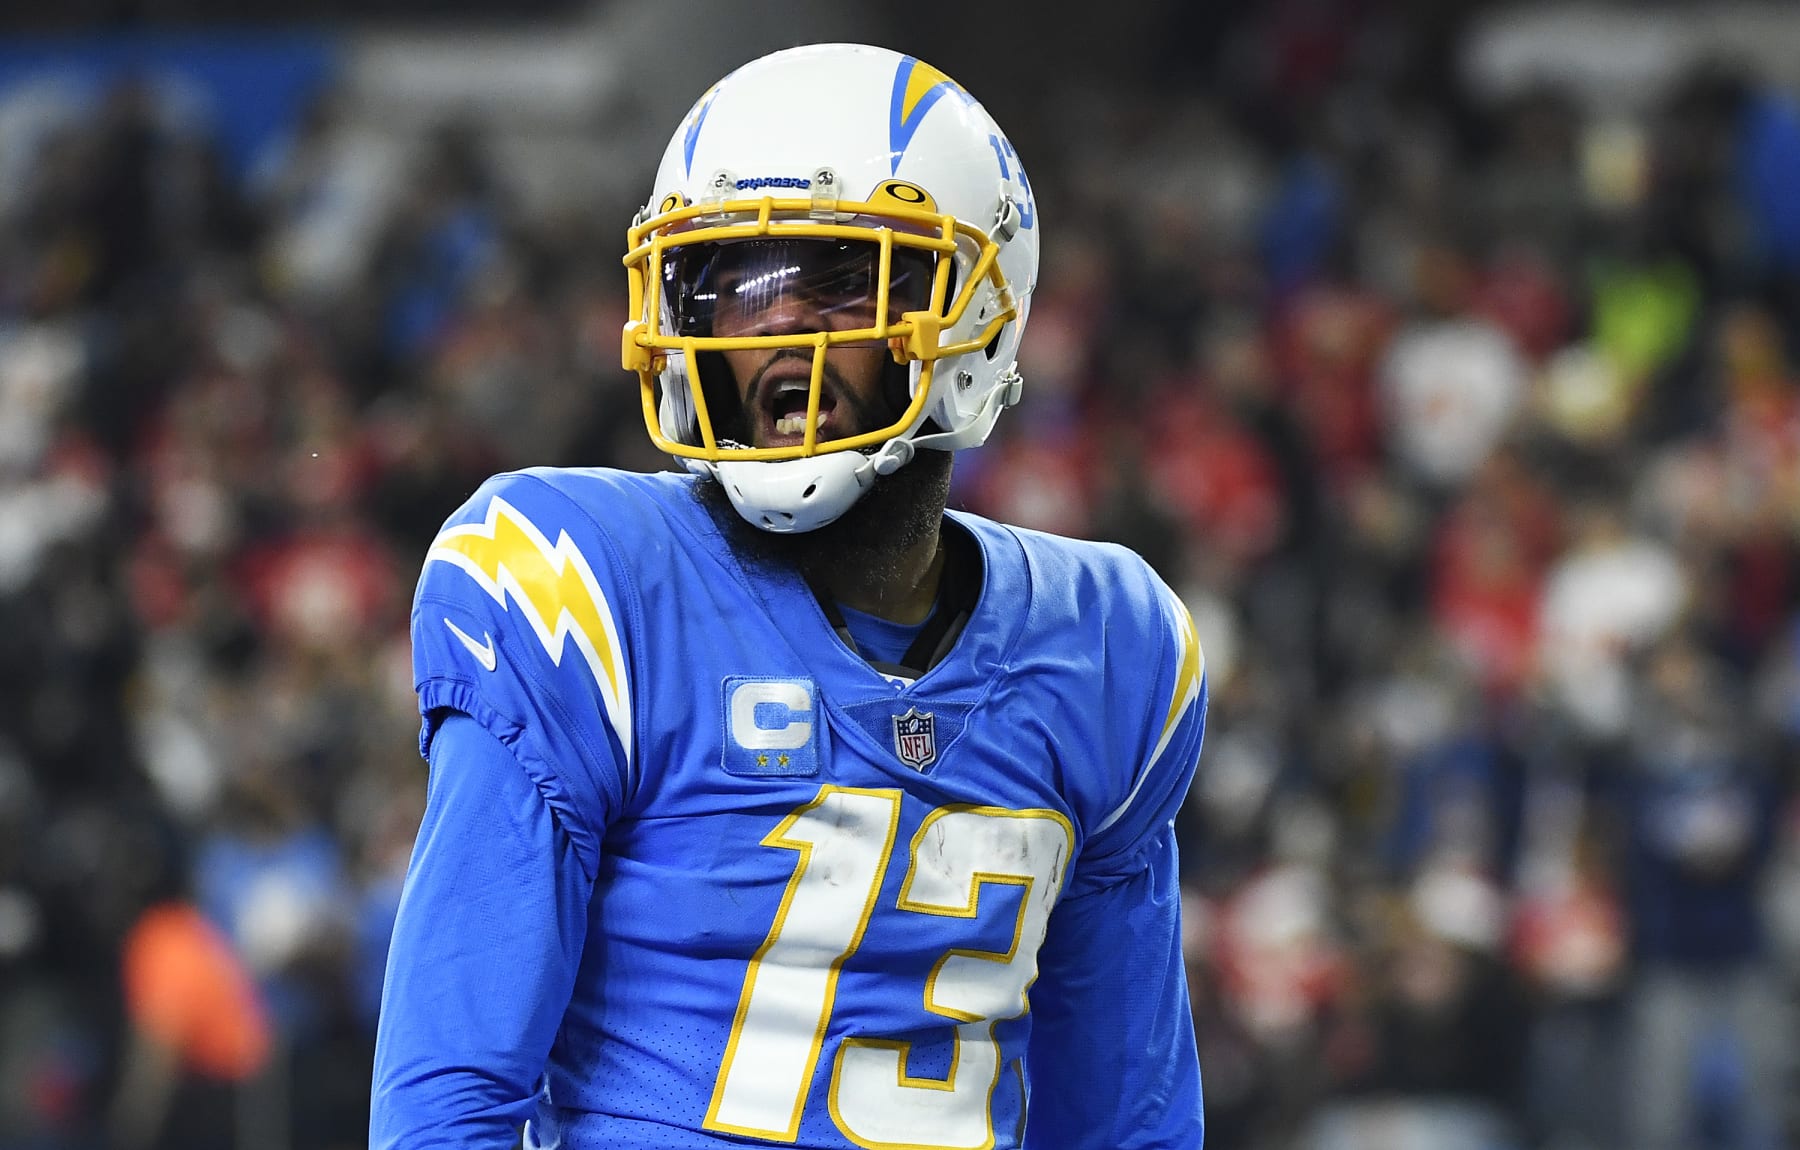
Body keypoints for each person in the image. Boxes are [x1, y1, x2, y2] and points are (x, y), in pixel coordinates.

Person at [370, 42, 1209, 1149]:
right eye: (731, 285)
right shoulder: (588, 589)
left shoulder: (1106, 647)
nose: (773, 323)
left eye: (837, 277)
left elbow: (1127, 1124)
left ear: (976, 314)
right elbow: (448, 1102)